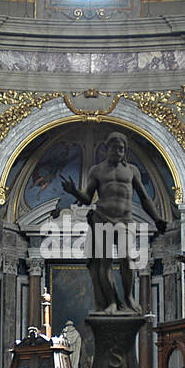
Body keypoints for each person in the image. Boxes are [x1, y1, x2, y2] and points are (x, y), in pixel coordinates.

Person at [60, 131, 167, 313]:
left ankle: (128, 298)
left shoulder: (131, 171)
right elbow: (87, 198)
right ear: (106, 149)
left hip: (125, 220)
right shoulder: (97, 171)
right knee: (104, 263)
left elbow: (144, 198)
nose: (117, 151)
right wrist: (73, 192)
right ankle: (110, 301)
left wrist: (157, 218)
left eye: (121, 149)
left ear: (125, 151)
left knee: (127, 260)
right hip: (102, 219)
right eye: (114, 148)